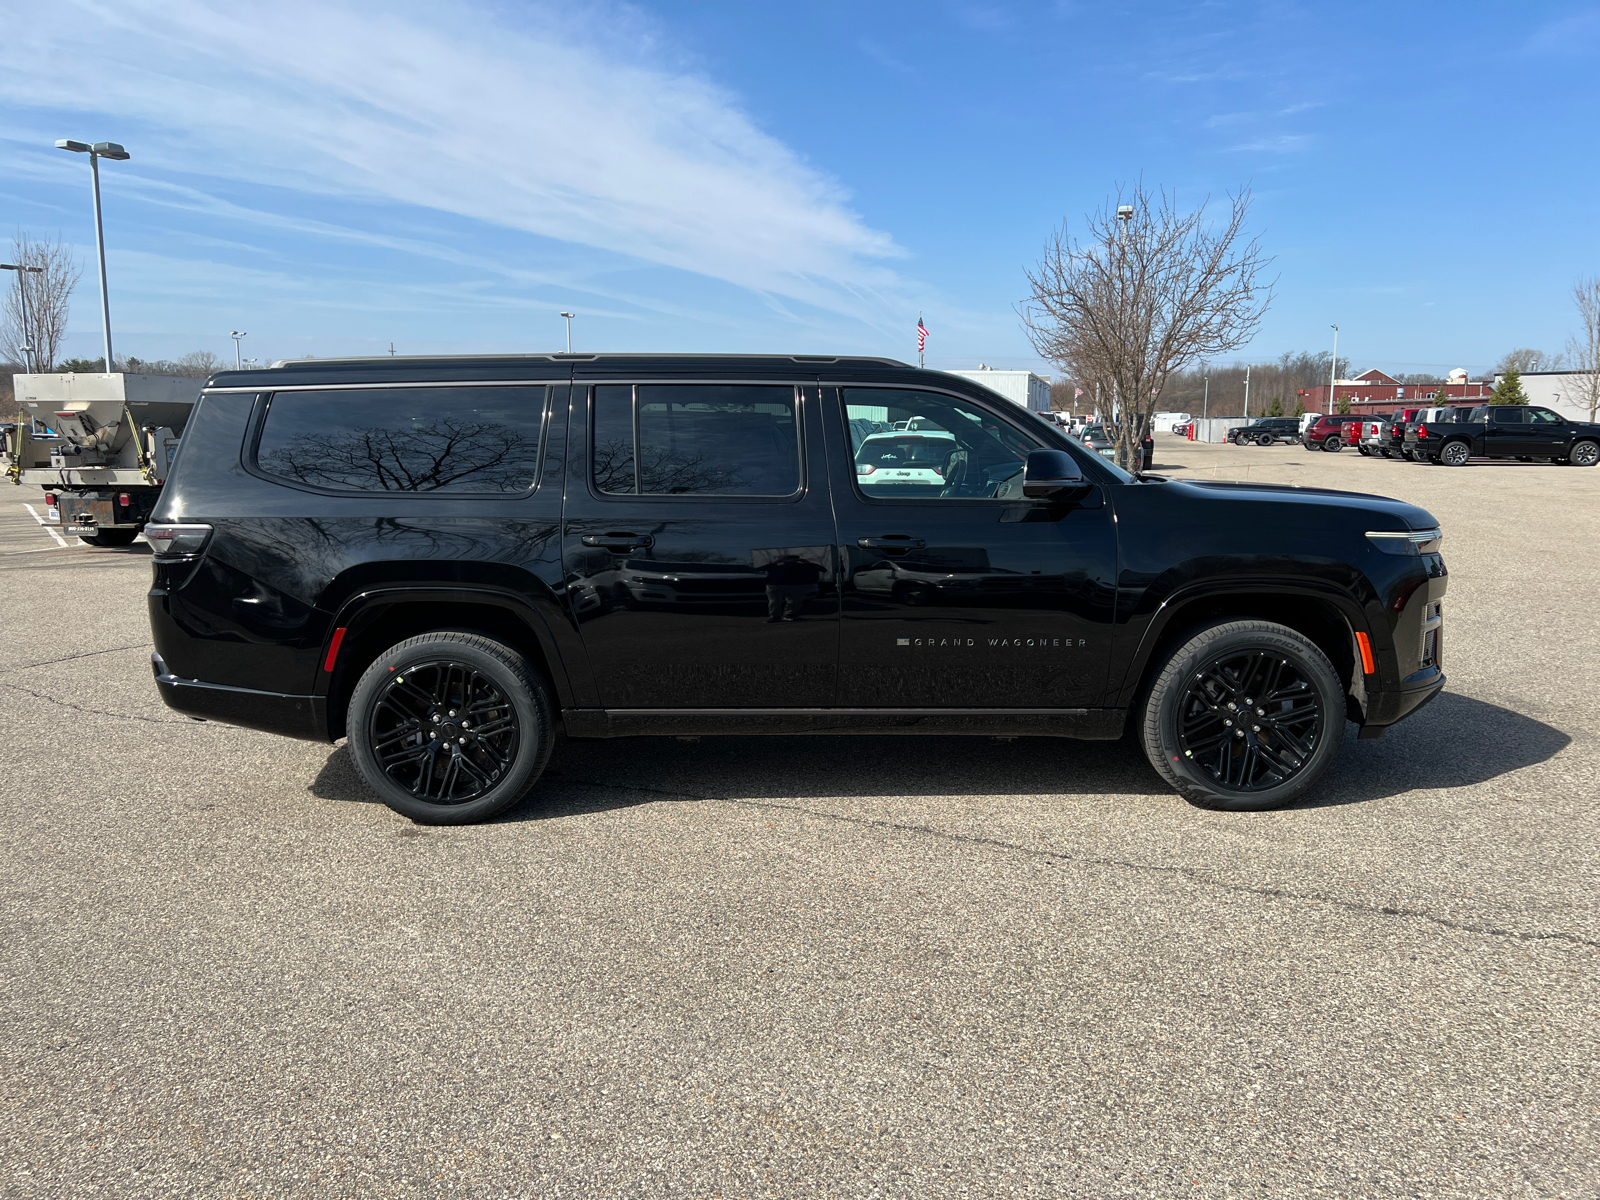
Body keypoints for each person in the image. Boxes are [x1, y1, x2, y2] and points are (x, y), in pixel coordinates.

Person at [764, 553, 823, 622]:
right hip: (776, 585)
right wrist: (775, 563)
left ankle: (788, 615)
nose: (791, 562)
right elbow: (760, 569)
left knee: (794, 601)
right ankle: (776, 616)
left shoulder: (802, 566)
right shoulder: (776, 566)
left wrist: (806, 563)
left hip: (794, 585)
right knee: (775, 601)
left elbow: (823, 569)